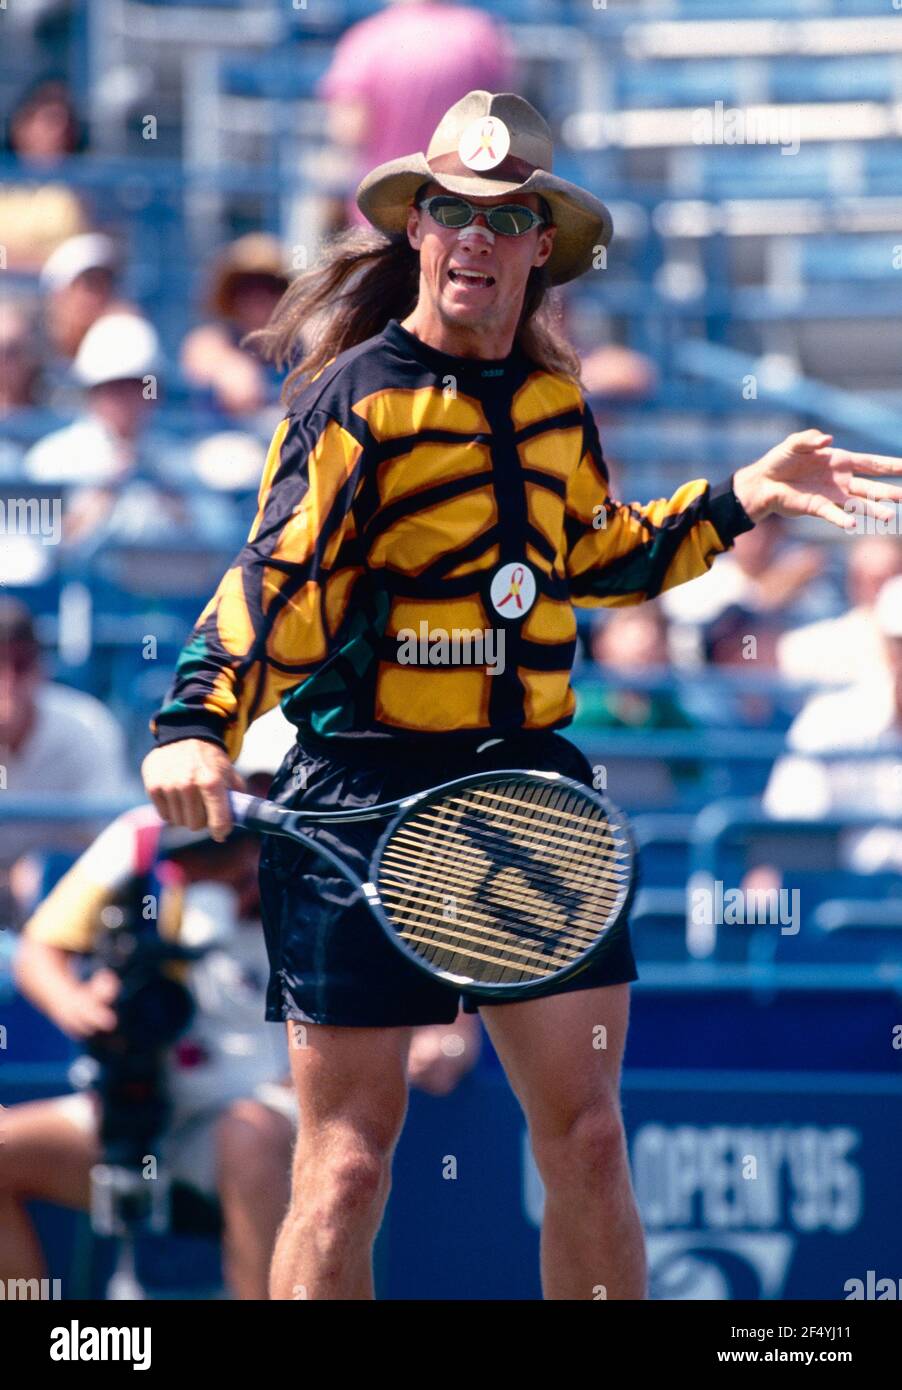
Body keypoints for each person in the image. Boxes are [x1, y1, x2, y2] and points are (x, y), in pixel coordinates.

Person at [140, 90, 902, 1300]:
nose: (474, 239)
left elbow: (596, 552)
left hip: (525, 797)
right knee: (343, 1163)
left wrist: (740, 495)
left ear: (540, 243)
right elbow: (274, 579)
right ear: (416, 232)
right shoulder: (353, 401)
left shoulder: (554, 405)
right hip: (359, 795)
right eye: (450, 212)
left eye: (502, 218)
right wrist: (194, 720)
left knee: (590, 1140)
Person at [317, 0, 515, 233]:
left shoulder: (368, 39)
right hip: (459, 211)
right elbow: (504, 120)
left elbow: (350, 131)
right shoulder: (481, 34)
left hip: (382, 210)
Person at [0, 598, 130, 921]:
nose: (8, 684)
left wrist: (46, 867)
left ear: (40, 667)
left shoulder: (87, 727)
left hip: (69, 910)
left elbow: (114, 850)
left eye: (20, 664)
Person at [180, 234, 289, 419]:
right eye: (247, 287)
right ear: (231, 295)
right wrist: (225, 366)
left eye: (271, 285)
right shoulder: (211, 341)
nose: (259, 297)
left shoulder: (303, 342)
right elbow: (199, 359)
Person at [777, 535, 902, 687]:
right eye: (877, 580)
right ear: (855, 581)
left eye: (895, 577)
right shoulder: (808, 645)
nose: (890, 588)